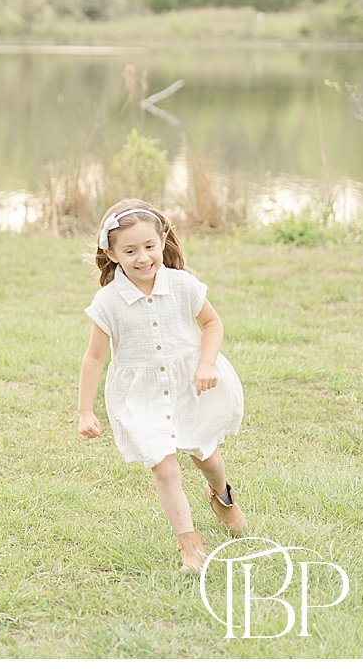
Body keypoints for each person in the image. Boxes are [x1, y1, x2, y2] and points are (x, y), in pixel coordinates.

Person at [77, 198, 248, 574]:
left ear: (163, 240)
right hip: (141, 396)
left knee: (207, 458)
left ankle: (221, 495)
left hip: (190, 386)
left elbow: (213, 324)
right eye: (130, 250)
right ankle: (191, 548)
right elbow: (94, 358)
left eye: (149, 247)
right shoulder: (107, 302)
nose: (142, 258)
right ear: (111, 253)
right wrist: (85, 410)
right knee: (165, 469)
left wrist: (206, 363)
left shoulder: (184, 285)